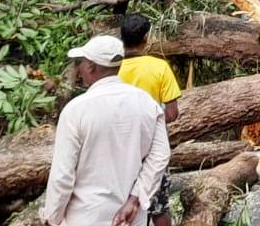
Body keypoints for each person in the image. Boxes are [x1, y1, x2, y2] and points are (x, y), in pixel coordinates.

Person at [41, 35, 169, 226]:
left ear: (91, 67)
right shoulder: (147, 103)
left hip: (85, 217)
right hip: (131, 219)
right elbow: (160, 156)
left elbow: (62, 175)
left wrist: (52, 218)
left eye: (82, 63)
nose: (79, 69)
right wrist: (135, 199)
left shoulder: (76, 110)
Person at [118, 15, 181, 226]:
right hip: (151, 147)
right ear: (146, 37)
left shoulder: (111, 69)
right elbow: (172, 114)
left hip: (117, 146)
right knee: (158, 206)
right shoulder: (159, 67)